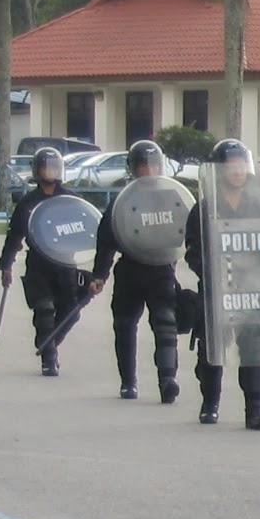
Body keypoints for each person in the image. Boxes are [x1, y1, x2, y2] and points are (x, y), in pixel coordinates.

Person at [186, 139, 260, 428]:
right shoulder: (204, 209)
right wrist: (216, 276)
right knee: (212, 348)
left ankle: (255, 409)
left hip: (252, 293)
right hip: (216, 292)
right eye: (230, 166)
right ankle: (210, 403)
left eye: (240, 165)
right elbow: (193, 252)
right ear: (219, 170)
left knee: (254, 346)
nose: (236, 171)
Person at [89, 140, 182, 403]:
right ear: (133, 169)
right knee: (125, 325)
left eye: (153, 165)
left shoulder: (171, 196)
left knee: (165, 323)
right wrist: (99, 275)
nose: (149, 171)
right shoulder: (122, 200)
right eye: (143, 166)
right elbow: (106, 239)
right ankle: (128, 382)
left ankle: (167, 380)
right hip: (130, 269)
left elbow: (186, 232)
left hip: (162, 269)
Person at [0, 147, 81, 376]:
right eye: (46, 167)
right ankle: (49, 358)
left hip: (65, 264)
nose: (50, 171)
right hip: (39, 265)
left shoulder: (70, 200)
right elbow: (15, 235)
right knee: (44, 310)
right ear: (37, 170)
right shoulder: (28, 203)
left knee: (71, 312)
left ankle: (48, 342)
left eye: (54, 167)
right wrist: (6, 265)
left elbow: (85, 229)